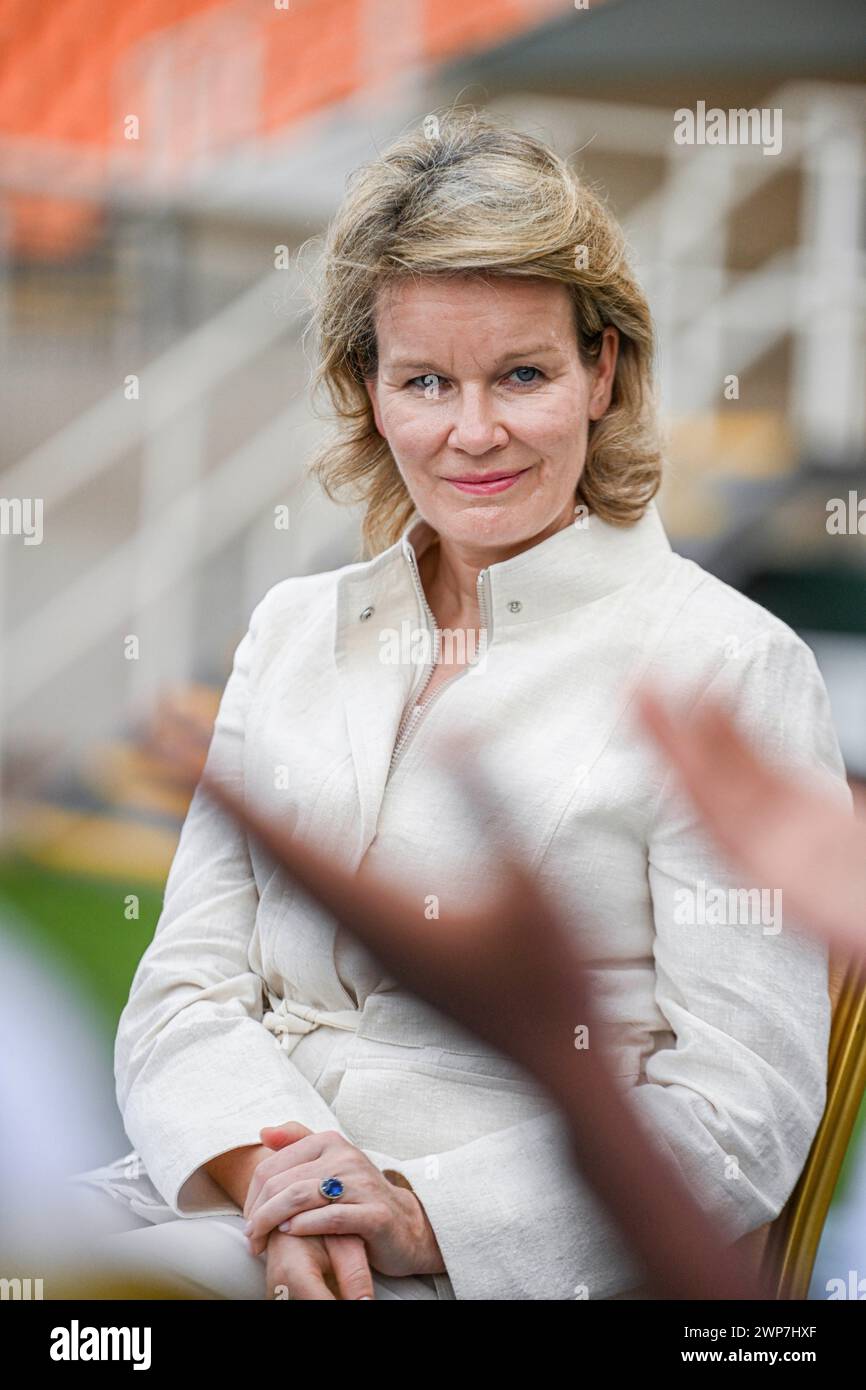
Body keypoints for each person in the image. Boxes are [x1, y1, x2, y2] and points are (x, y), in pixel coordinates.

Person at [67, 106, 851, 1300]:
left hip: (512, 1265)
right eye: (424, 379)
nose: (471, 432)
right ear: (365, 389)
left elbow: (739, 1111)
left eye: (522, 374)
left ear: (603, 370)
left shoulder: (729, 663)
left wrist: (423, 1217)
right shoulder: (291, 627)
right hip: (234, 1206)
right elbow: (184, 989)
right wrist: (293, 1193)